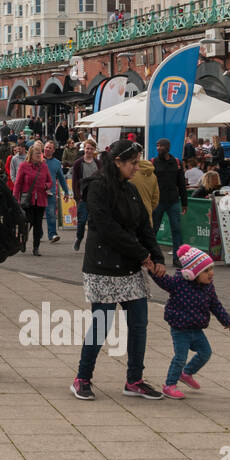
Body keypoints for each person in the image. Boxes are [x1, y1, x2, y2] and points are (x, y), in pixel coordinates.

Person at [71, 139, 166, 401]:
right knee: (102, 324)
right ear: (117, 162)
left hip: (129, 268)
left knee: (139, 324)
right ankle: (82, 377)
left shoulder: (131, 190)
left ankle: (134, 379)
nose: (137, 168)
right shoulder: (97, 188)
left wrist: (156, 256)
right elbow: (106, 228)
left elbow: (144, 227)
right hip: (102, 267)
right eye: (132, 163)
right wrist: (142, 255)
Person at [148, 245, 230, 400]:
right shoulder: (179, 283)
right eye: (206, 271)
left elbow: (215, 304)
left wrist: (225, 320)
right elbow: (163, 280)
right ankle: (169, 385)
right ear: (191, 273)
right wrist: (152, 269)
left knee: (205, 353)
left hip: (197, 329)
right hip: (180, 329)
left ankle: (186, 373)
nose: (211, 273)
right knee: (180, 357)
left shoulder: (208, 287)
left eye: (211, 268)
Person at [13, 141, 52, 256]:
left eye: (40, 153)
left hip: (40, 199)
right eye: (37, 154)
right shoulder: (24, 166)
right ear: (31, 154)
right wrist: (15, 199)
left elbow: (50, 181)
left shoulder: (44, 166)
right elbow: (18, 183)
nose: (40, 155)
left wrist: (46, 186)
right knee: (27, 222)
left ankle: (36, 247)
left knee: (38, 225)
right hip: (27, 200)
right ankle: (23, 240)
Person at [151, 138, 187, 256]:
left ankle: (178, 257)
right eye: (157, 146)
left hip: (173, 201)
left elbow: (181, 184)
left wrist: (184, 203)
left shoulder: (176, 162)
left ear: (167, 147)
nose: (158, 148)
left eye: (160, 146)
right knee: (153, 229)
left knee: (176, 230)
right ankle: (151, 256)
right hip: (158, 201)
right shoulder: (153, 162)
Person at [70, 137, 100, 251]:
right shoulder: (78, 163)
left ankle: (93, 243)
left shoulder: (98, 163)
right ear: (84, 149)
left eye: (91, 149)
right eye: (87, 148)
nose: (89, 151)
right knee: (82, 220)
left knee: (95, 221)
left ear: (94, 150)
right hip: (83, 196)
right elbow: (74, 180)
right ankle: (79, 238)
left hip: (95, 197)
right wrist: (77, 196)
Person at [43, 140, 69, 244]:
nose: (47, 149)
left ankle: (52, 234)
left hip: (51, 192)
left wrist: (66, 192)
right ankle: (38, 233)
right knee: (36, 215)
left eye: (50, 148)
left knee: (51, 214)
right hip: (38, 192)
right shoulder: (38, 159)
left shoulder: (57, 163)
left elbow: (61, 179)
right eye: (46, 147)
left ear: (53, 150)